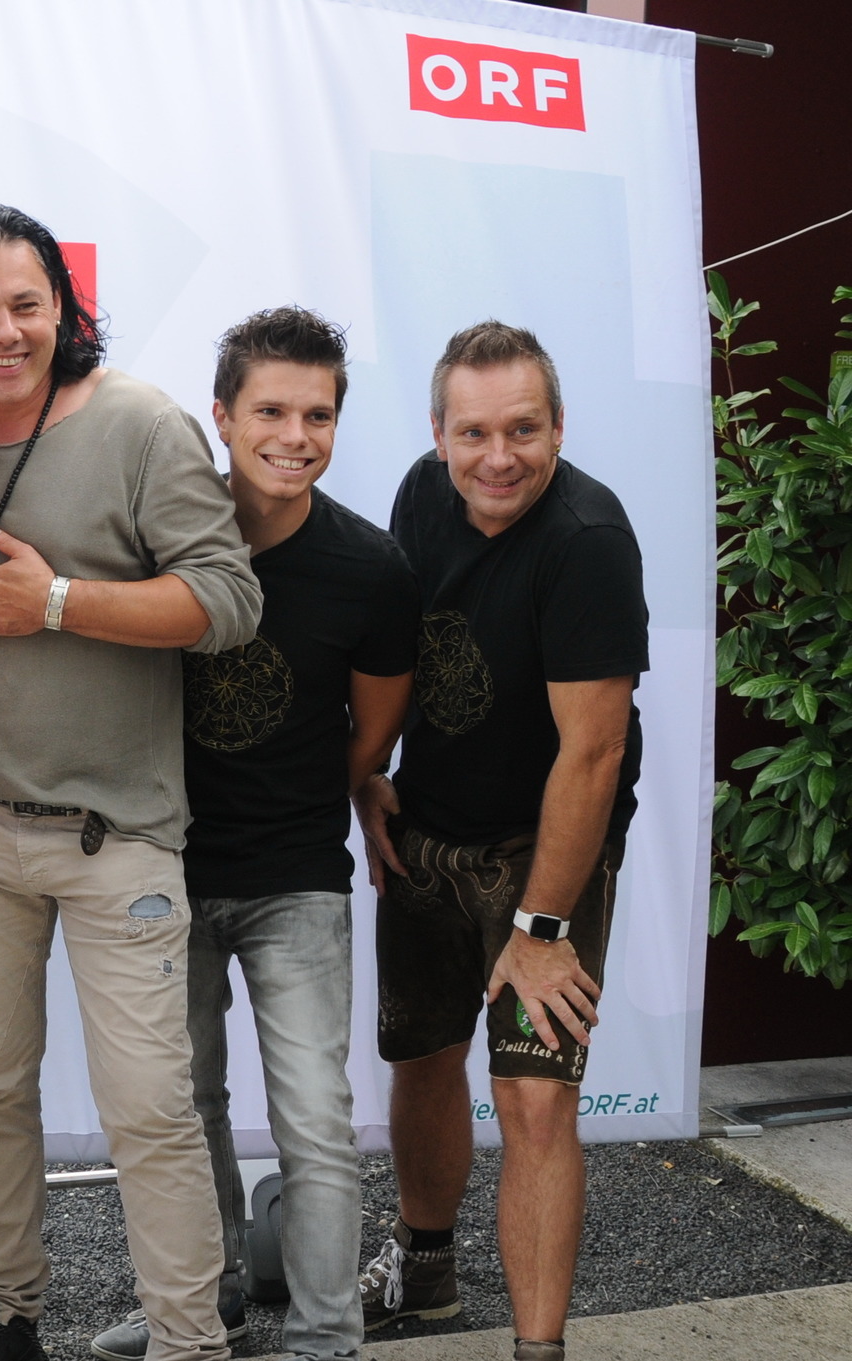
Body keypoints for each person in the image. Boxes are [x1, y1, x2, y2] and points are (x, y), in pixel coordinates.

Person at [0, 204, 262, 1361]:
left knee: (151, 1111)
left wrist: (55, 601)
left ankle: (186, 1336)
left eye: (26, 305)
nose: (5, 332)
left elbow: (228, 603)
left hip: (119, 836)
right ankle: (4, 1307)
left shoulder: (141, 426)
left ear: (63, 306)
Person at [87, 308, 417, 1361]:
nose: (294, 433)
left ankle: (326, 1332)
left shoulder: (369, 568)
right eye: (269, 409)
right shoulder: (160, 538)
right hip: (156, 867)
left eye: (316, 413)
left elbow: (369, 733)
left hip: (295, 877)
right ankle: (206, 1296)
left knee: (314, 1114)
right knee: (179, 1104)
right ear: (220, 416)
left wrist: (339, 796)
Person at [353, 322, 647, 1361]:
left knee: (531, 1098)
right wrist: (366, 773)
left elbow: (592, 754)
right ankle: (422, 1266)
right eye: (472, 431)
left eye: (522, 428)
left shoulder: (585, 540)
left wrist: (539, 925)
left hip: (543, 848)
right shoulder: (417, 494)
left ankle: (537, 1350)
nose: (497, 456)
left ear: (557, 425)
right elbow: (392, 651)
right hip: (428, 829)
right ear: (436, 434)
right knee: (422, 1056)